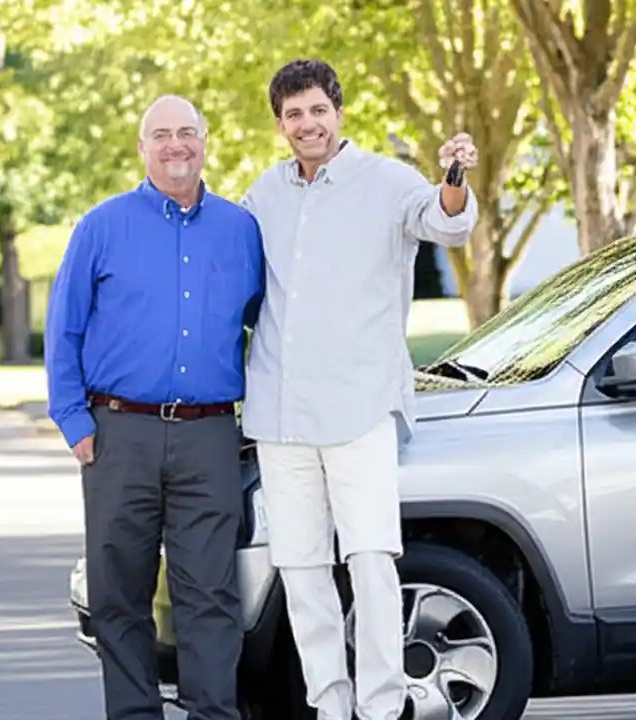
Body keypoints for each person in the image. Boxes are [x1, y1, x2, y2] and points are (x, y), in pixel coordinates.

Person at [240, 59, 478, 720]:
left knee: (371, 561)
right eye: (293, 114)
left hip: (359, 408)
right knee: (300, 568)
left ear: (337, 112)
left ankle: (379, 707)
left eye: (316, 110)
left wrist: (455, 175)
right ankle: (330, 705)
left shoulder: (388, 181)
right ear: (280, 123)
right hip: (280, 413)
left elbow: (447, 221)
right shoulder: (265, 193)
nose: (306, 124)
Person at [45, 94, 264, 720]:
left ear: (204, 141)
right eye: (161, 134)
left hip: (210, 436)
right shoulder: (101, 227)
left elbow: (264, 328)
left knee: (211, 596)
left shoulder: (240, 230)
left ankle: (212, 714)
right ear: (142, 148)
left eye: (187, 132)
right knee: (120, 596)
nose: (176, 145)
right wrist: (74, 421)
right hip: (119, 434)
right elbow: (65, 328)